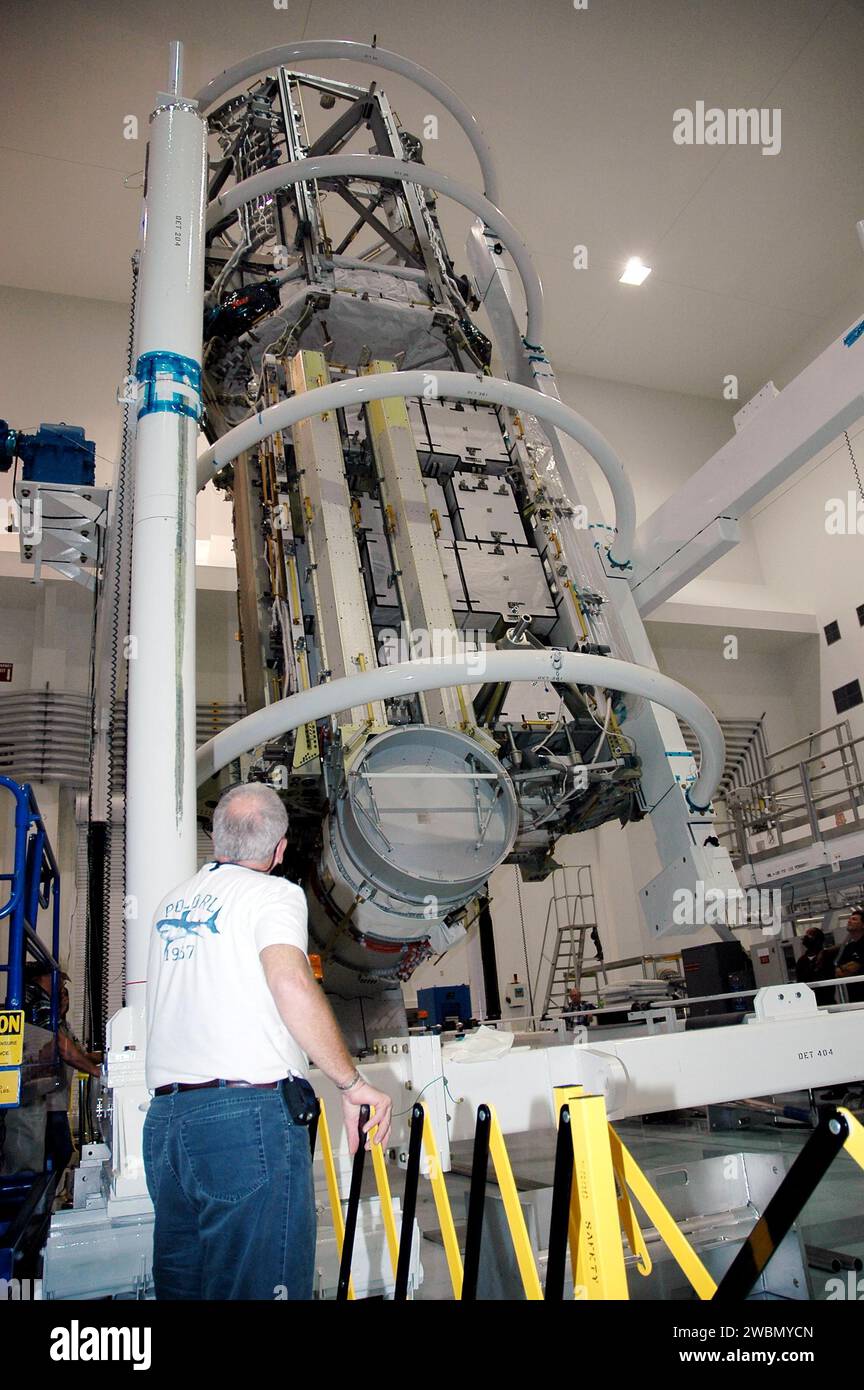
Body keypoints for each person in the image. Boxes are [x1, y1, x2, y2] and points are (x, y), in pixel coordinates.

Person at [143, 782, 393, 1301]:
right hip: (244, 1122)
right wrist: (351, 1084)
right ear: (279, 851)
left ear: (216, 841)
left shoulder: (172, 904)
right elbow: (290, 983)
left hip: (167, 1127)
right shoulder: (274, 893)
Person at [794, 927, 836, 1004]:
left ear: (818, 939)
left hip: (827, 999)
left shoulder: (828, 956)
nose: (806, 937)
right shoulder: (801, 961)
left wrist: (823, 952)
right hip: (810, 1001)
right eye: (806, 934)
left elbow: (842, 946)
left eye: (810, 935)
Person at [835, 905, 864, 1004]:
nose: (849, 921)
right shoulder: (848, 947)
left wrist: (848, 968)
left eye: (854, 919)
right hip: (854, 999)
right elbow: (839, 972)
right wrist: (847, 967)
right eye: (849, 919)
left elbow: (854, 967)